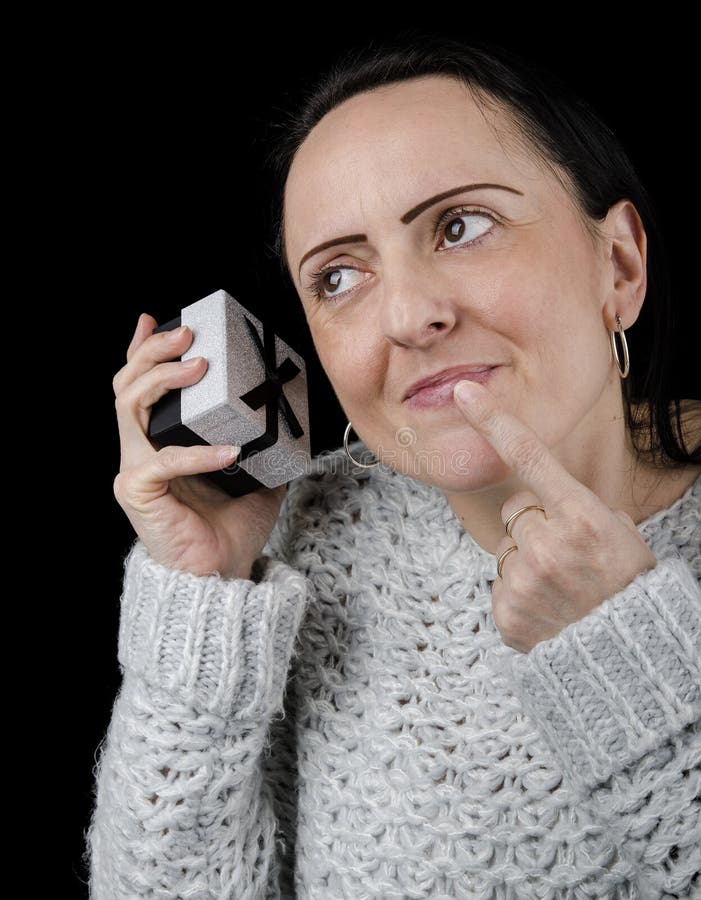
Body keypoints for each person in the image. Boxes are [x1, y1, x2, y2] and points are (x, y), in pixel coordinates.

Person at [85, 31, 700, 899]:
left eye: (459, 226)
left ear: (619, 264)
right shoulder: (308, 538)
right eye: (338, 277)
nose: (408, 315)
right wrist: (203, 599)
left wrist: (630, 654)